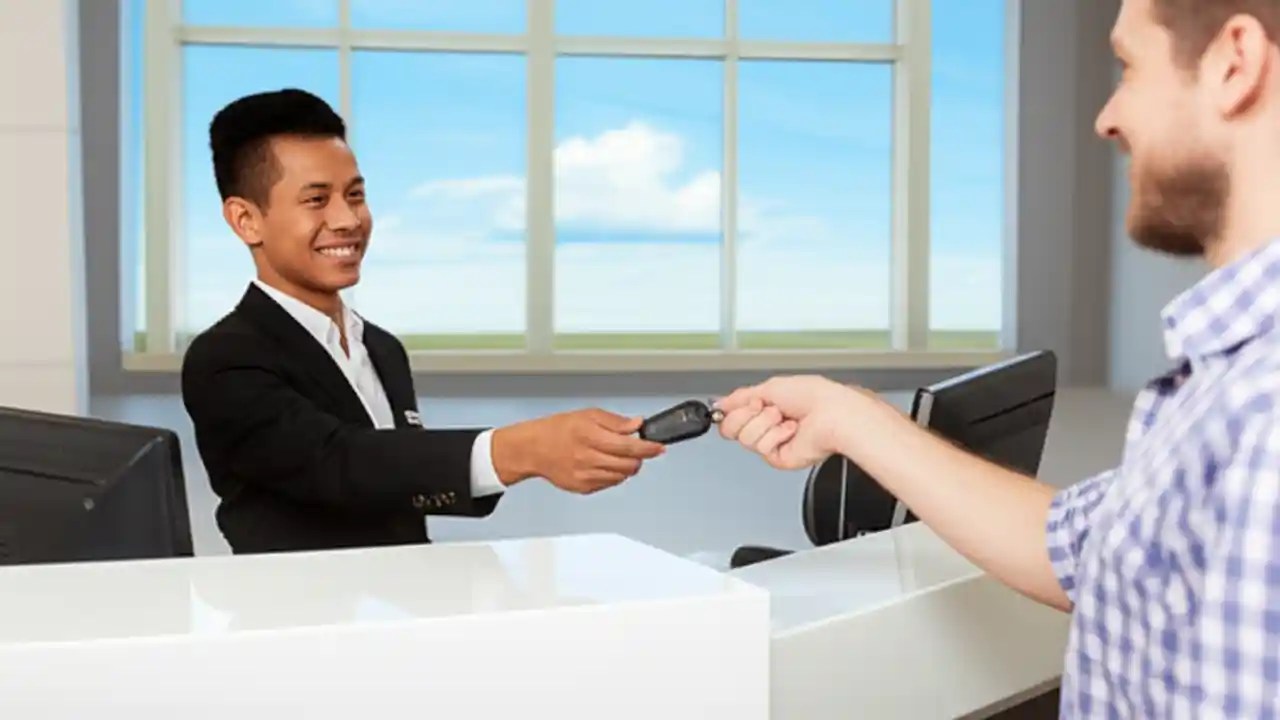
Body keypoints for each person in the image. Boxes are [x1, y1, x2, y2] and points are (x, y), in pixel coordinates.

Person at [718, 0, 1280, 715]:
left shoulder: (1264, 411)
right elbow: (1077, 546)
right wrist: (848, 417)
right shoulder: (1228, 382)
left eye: (1129, 68)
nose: (1108, 118)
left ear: (1235, 63)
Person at [181, 89, 665, 555]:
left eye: (355, 195)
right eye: (316, 200)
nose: (348, 219)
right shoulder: (224, 358)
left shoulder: (381, 347)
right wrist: (521, 449)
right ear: (246, 220)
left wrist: (548, 455)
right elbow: (337, 463)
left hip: (407, 596)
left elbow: (400, 478)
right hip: (298, 606)